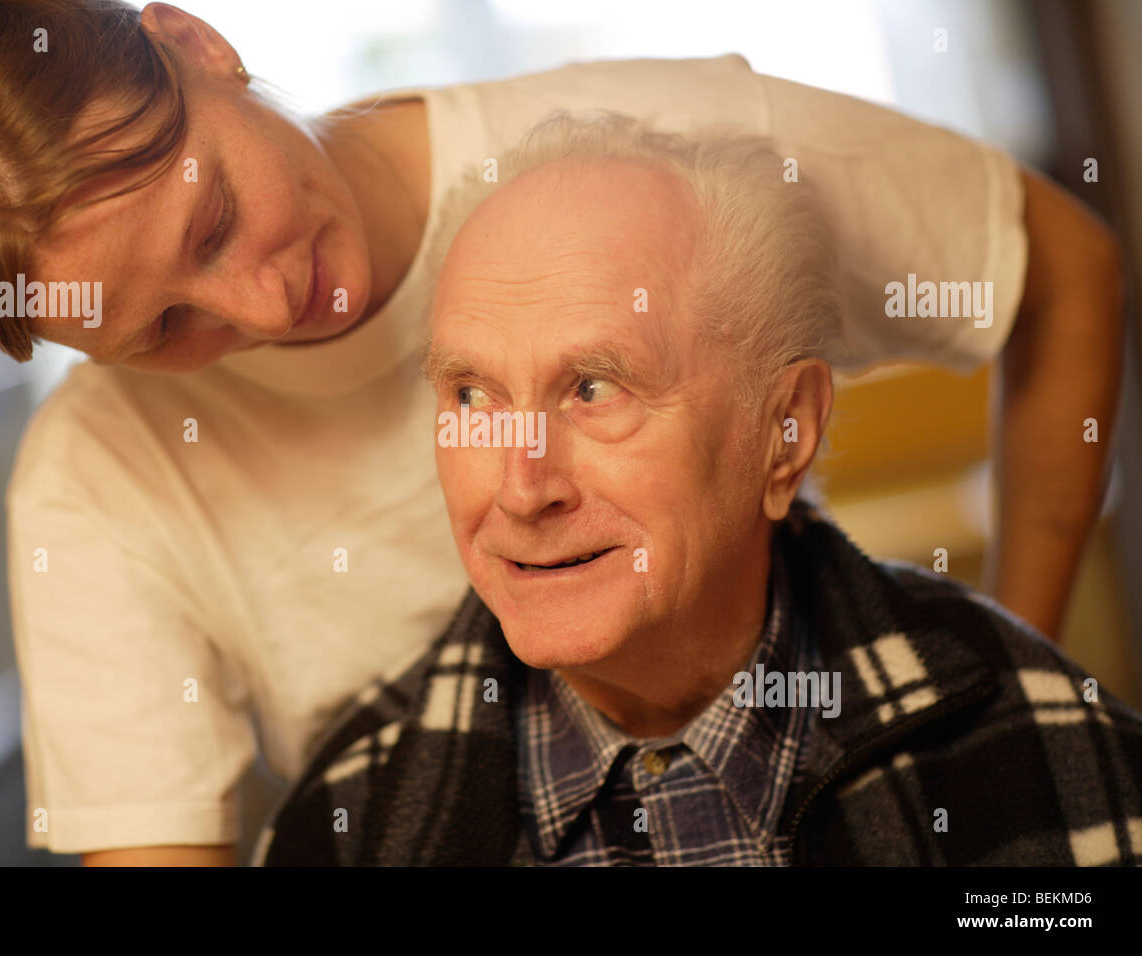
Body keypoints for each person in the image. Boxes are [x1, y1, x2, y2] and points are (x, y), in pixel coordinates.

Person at [0, 0, 1123, 864]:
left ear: (197, 43)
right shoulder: (100, 484)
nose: (257, 306)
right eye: (160, 330)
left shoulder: (661, 163)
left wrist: (1002, 692)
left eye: (210, 226)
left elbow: (1056, 265)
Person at [261, 114, 1142, 865]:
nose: (522, 490)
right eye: (472, 396)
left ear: (783, 433)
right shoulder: (342, 829)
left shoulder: (1054, 754)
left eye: (594, 389)